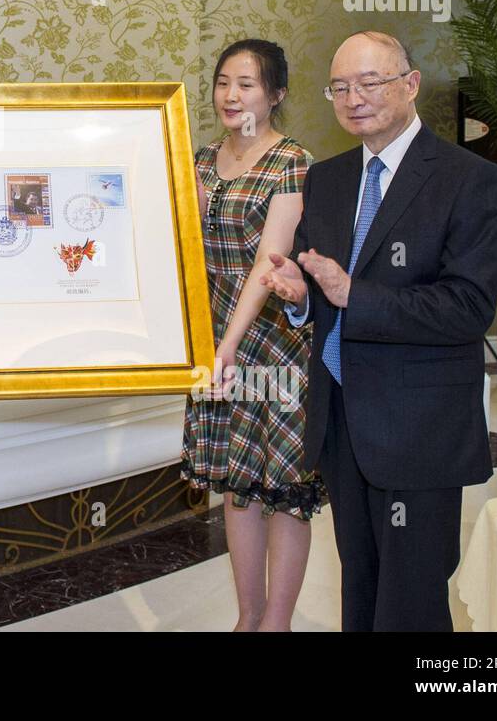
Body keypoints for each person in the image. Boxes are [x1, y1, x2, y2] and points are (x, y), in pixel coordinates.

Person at [262, 31, 497, 632]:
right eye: (340, 87)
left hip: (418, 430)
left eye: (369, 83)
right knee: (361, 592)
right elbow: (320, 285)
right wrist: (301, 299)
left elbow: (469, 308)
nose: (354, 98)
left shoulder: (468, 179)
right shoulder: (328, 179)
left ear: (410, 84)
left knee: (411, 606)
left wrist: (354, 295)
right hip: (343, 422)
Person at [180, 39, 325, 631]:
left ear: (277, 94)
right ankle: (247, 617)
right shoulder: (202, 159)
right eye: (222, 82)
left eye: (247, 84)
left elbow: (271, 264)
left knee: (284, 488)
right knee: (238, 483)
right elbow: (187, 253)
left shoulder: (292, 161)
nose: (231, 95)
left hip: (271, 345)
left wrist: (229, 346)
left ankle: (278, 623)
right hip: (216, 340)